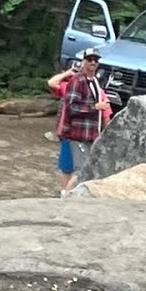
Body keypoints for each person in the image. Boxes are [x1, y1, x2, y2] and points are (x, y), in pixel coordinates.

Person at [47, 58, 111, 196]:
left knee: (79, 169)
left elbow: (106, 117)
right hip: (69, 133)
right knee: (67, 168)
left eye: (95, 61)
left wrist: (106, 137)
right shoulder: (74, 84)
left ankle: (66, 195)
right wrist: (66, 74)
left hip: (85, 136)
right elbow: (51, 83)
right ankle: (65, 194)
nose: (92, 63)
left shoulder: (100, 94)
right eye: (89, 60)